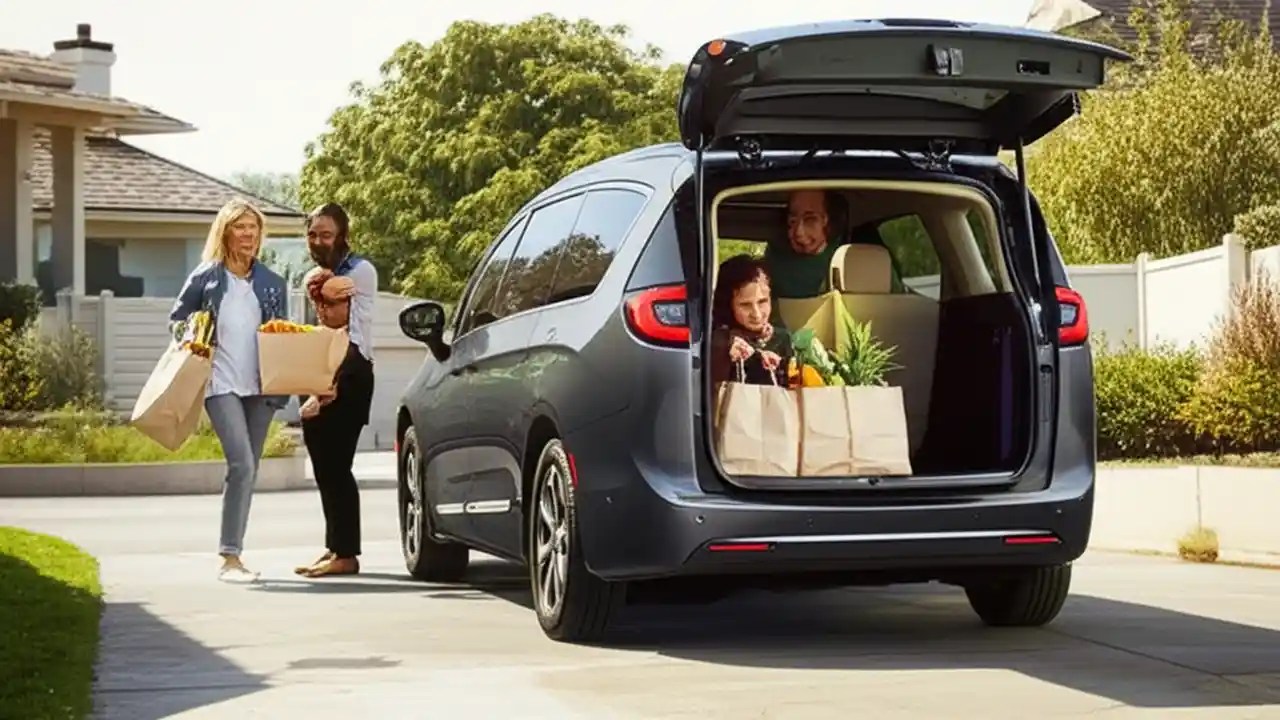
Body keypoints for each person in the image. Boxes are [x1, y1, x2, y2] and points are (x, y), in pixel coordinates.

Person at [169, 198, 290, 583]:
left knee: (248, 470)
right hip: (220, 383)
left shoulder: (272, 283)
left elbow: (283, 334)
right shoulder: (206, 277)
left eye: (254, 228)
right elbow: (177, 321)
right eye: (241, 227)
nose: (248, 234)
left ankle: (234, 552)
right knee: (242, 464)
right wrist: (193, 335)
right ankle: (230, 558)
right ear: (225, 232)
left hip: (261, 387)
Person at [294, 202, 377, 579]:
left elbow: (348, 330)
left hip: (350, 370)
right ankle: (335, 547)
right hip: (319, 368)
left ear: (342, 235)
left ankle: (346, 554)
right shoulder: (319, 274)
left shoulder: (359, 271)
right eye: (312, 234)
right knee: (324, 468)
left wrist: (329, 388)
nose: (318, 241)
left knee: (338, 467)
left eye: (326, 234)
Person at [710, 254, 793, 386]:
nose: (757, 314)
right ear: (728, 304)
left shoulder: (782, 338)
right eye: (745, 305)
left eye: (762, 301)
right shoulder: (717, 341)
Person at [763, 188, 842, 299]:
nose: (798, 232)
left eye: (810, 220)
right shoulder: (775, 257)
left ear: (826, 220)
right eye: (792, 221)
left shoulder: (844, 257)